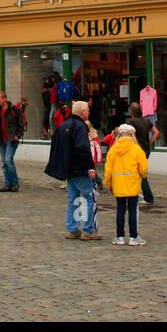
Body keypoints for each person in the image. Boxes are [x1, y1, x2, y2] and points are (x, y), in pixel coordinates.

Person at [44, 100, 101, 240]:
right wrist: (90, 167)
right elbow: (83, 148)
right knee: (89, 199)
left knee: (73, 199)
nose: (89, 112)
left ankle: (72, 228)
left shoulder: (63, 126)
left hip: (68, 169)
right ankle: (87, 230)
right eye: (87, 110)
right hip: (80, 168)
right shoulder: (80, 127)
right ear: (82, 113)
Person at [103, 123, 149, 245]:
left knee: (120, 210)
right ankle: (133, 237)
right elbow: (143, 168)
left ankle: (120, 236)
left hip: (118, 183)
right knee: (133, 210)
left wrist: (108, 182)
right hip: (132, 183)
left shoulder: (114, 149)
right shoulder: (136, 149)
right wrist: (142, 175)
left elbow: (108, 169)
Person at [127, 102, 158, 207]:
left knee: (140, 174)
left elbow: (132, 135)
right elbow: (156, 132)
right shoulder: (146, 121)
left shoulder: (132, 122)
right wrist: (150, 142)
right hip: (146, 149)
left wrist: (134, 145)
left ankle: (148, 196)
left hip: (137, 150)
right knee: (140, 172)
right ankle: (140, 193)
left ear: (131, 112)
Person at [0, 91, 25, 192]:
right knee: (3, 162)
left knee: (8, 160)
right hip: (2, 140)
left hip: (11, 139)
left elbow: (21, 124)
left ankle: (15, 182)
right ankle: (8, 183)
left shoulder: (14, 110)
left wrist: (18, 135)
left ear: (4, 99)